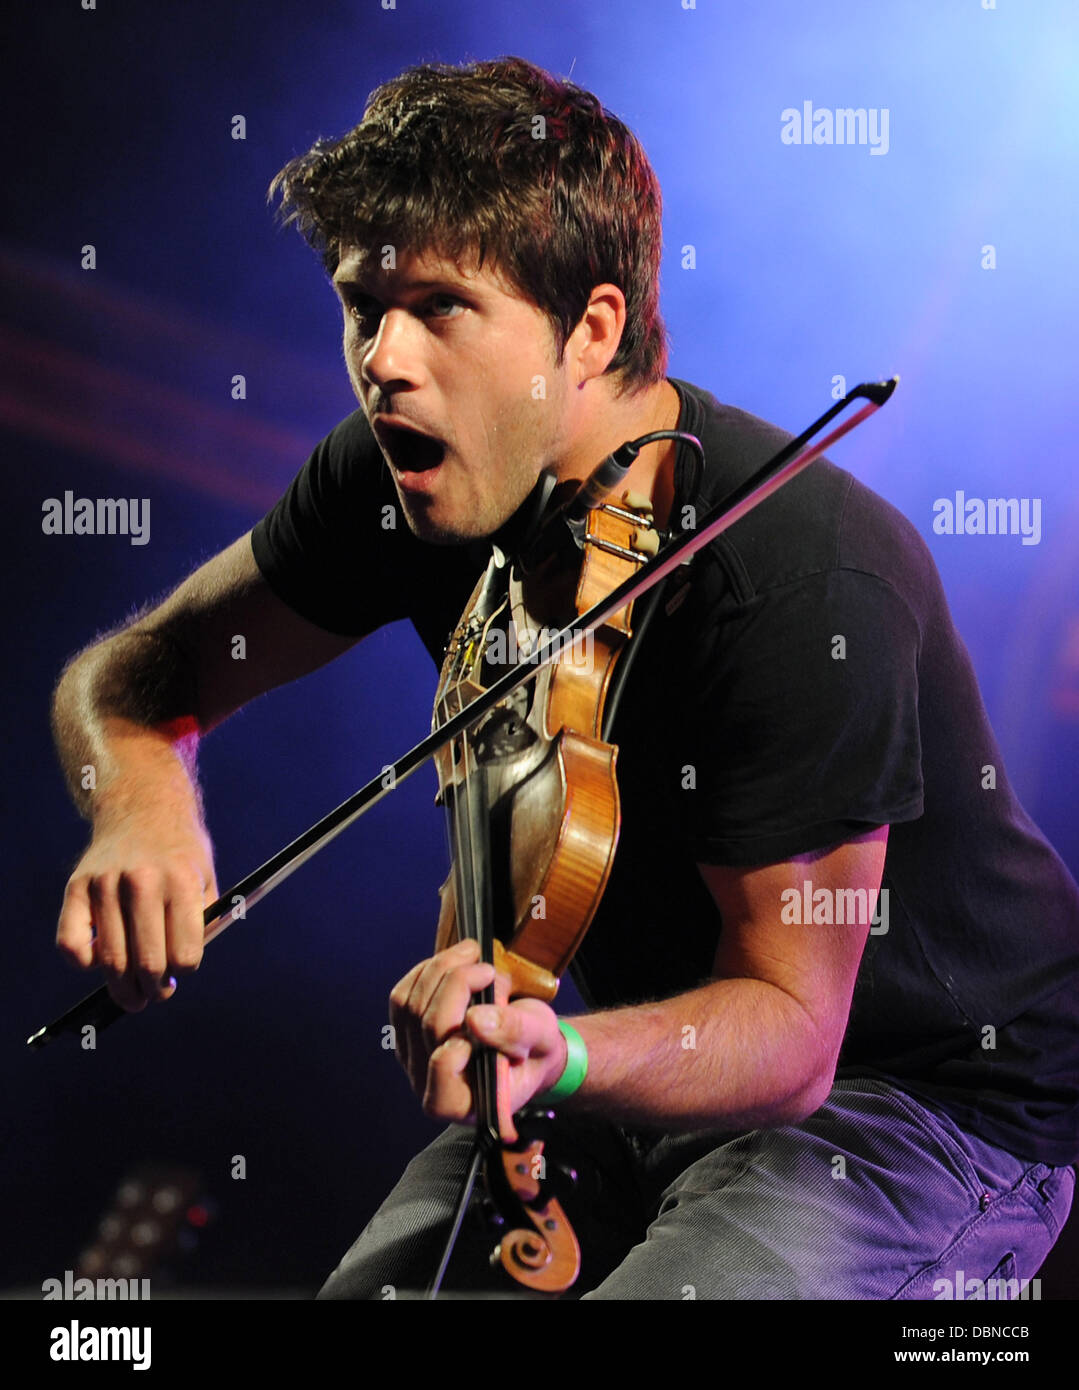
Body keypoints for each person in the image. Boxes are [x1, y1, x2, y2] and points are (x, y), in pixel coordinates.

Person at [51, 56, 1078, 1300]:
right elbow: (139, 669)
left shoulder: (805, 578)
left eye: (438, 308)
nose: (382, 359)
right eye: (360, 306)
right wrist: (142, 800)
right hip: (614, 1063)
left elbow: (792, 1036)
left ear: (588, 330)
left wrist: (562, 1051)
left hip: (911, 1107)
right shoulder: (400, 479)